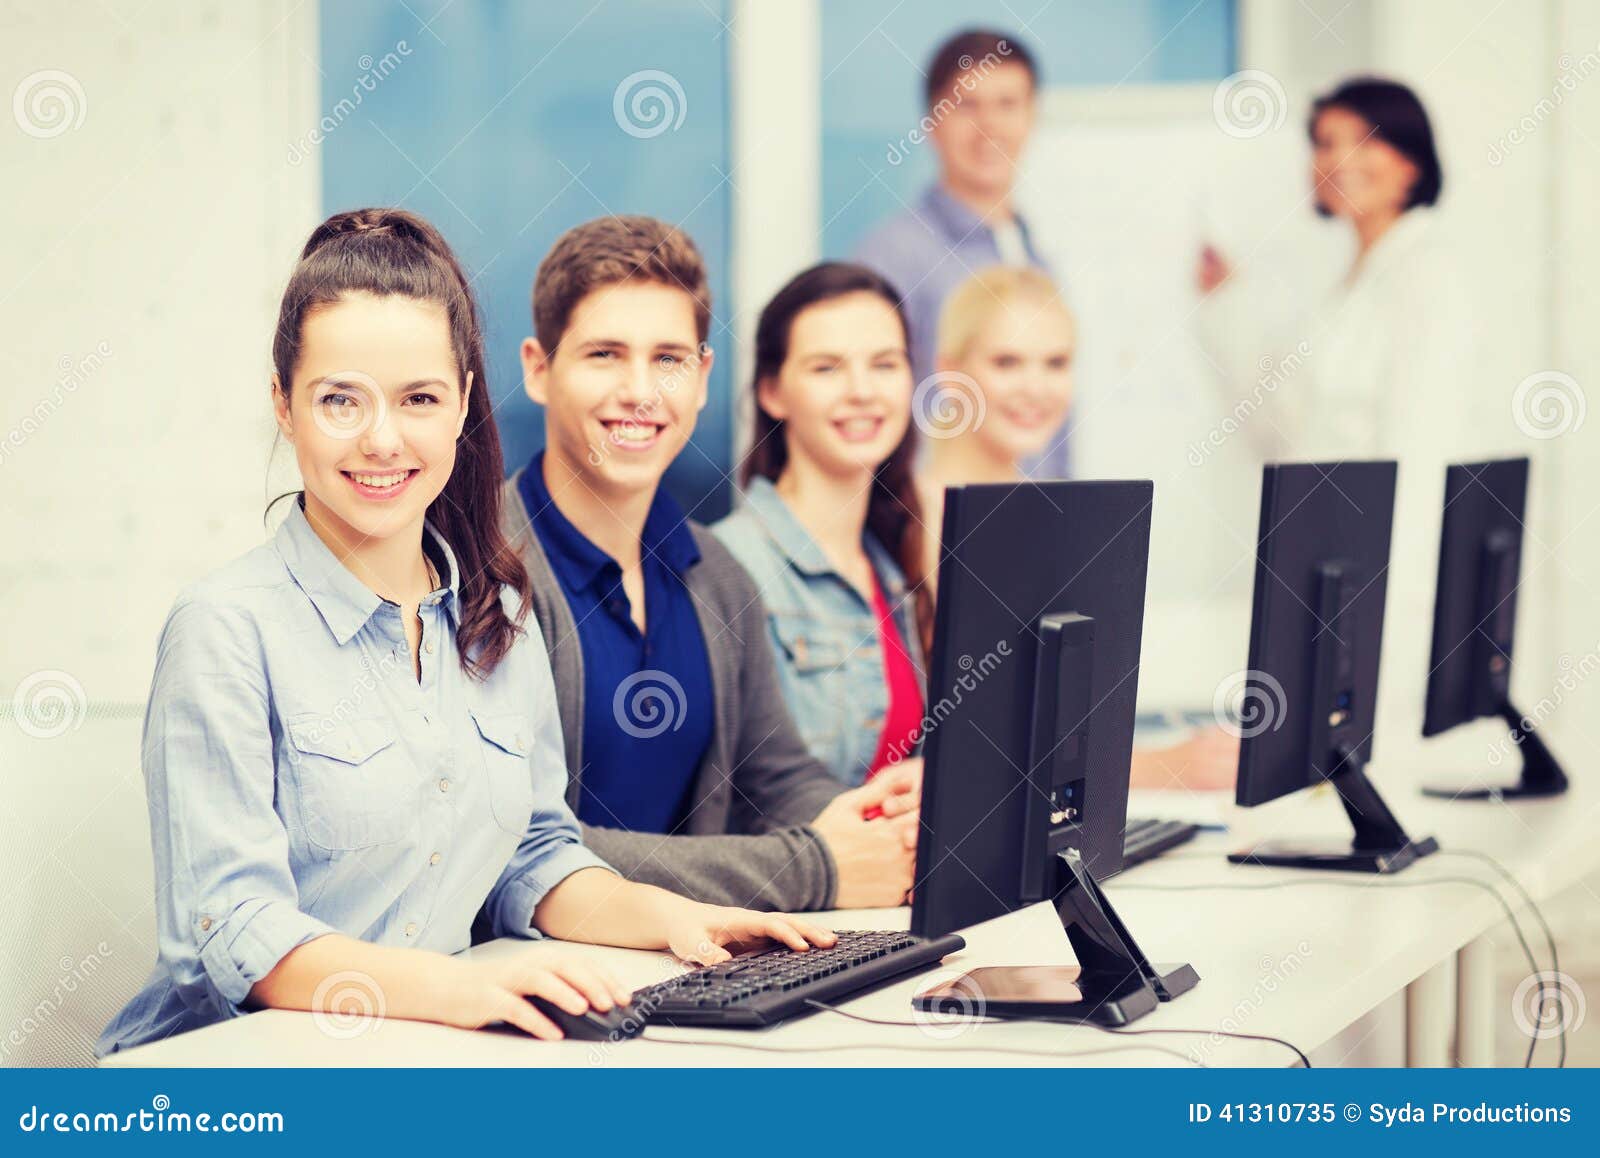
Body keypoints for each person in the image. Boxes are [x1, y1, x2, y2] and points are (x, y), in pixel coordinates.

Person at [98, 210, 834, 1056]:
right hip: (235, 1077)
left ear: (463, 408)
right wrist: (463, 987)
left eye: (419, 399)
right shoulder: (225, 629)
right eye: (340, 399)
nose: (382, 438)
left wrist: (683, 923)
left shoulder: (499, 616)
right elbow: (234, 930)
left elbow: (536, 855)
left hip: (426, 1057)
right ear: (283, 405)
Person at [501, 216, 920, 915]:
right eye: (605, 354)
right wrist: (807, 869)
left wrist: (880, 827)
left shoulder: (716, 573)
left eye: (668, 358)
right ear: (539, 371)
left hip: (688, 973)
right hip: (534, 980)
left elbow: (777, 780)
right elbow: (520, 848)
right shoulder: (484, 572)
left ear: (701, 378)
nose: (640, 390)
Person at [1193, 77, 1473, 734]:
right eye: (1324, 142)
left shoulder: (1427, 277)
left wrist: (1385, 626)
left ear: (1410, 161)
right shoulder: (1346, 287)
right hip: (1325, 572)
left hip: (1382, 596)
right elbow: (1282, 433)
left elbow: (1419, 456)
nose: (1337, 159)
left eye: (1363, 139)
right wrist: (1227, 306)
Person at [922, 266, 1239, 792]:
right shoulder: (910, 519)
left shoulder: (1053, 515)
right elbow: (969, 742)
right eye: (1006, 362)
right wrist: (1158, 768)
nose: (1035, 388)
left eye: (1055, 363)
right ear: (950, 373)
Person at [714, 263, 933, 788]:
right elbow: (744, 802)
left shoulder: (890, 564)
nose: (862, 391)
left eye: (884, 364)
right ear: (772, 392)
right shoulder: (730, 567)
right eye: (827, 368)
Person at [851, 27, 1067, 476]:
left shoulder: (1037, 257)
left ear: (1032, 117)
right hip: (937, 526)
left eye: (1008, 104)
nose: (989, 126)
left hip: (1036, 520)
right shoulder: (891, 257)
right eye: (967, 106)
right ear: (932, 122)